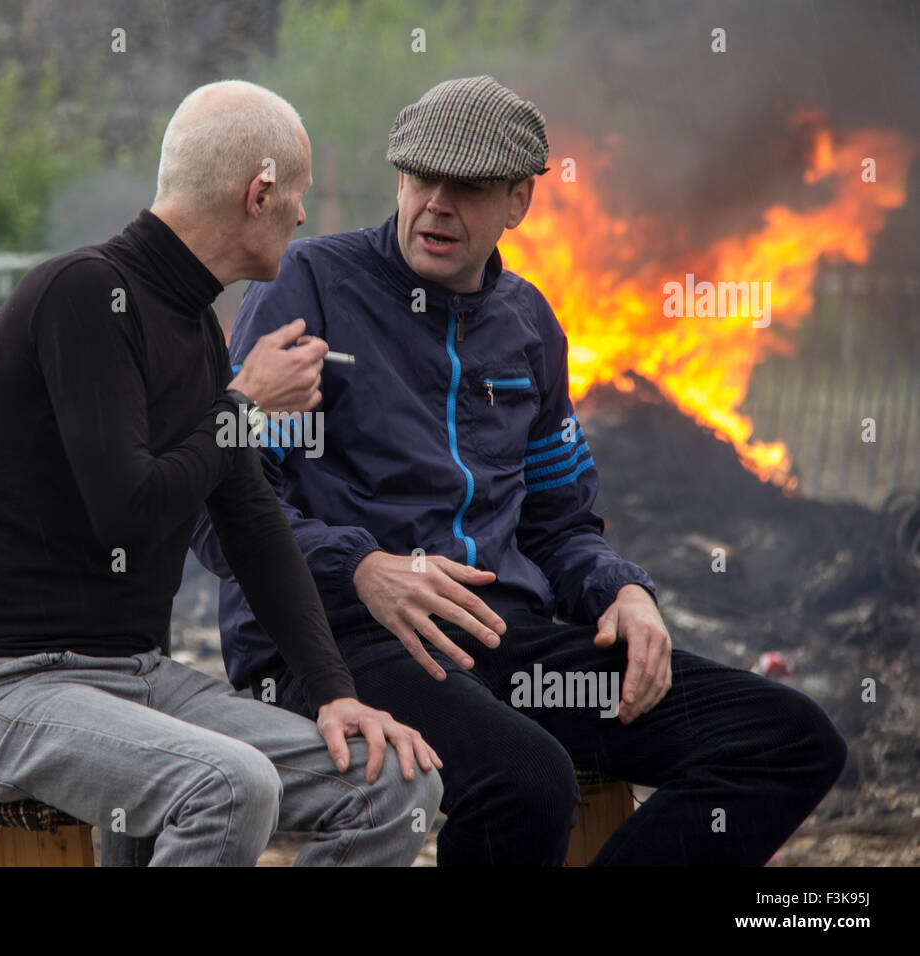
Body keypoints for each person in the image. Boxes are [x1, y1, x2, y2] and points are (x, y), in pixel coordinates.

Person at [192, 75, 847, 866]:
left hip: (505, 642)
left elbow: (559, 523)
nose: (436, 202)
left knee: (788, 739)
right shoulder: (312, 287)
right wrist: (361, 566)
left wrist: (624, 589)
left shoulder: (529, 323)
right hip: (341, 639)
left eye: (465, 187)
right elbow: (224, 505)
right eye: (420, 176)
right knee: (527, 780)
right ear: (398, 178)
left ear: (517, 202)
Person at [0, 79, 442, 867]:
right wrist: (244, 406)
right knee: (230, 785)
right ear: (259, 191)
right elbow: (128, 511)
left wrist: (337, 694)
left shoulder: (195, 331)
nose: (303, 216)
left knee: (396, 785)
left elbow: (254, 525)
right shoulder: (84, 296)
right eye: (294, 196)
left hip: (136, 678)